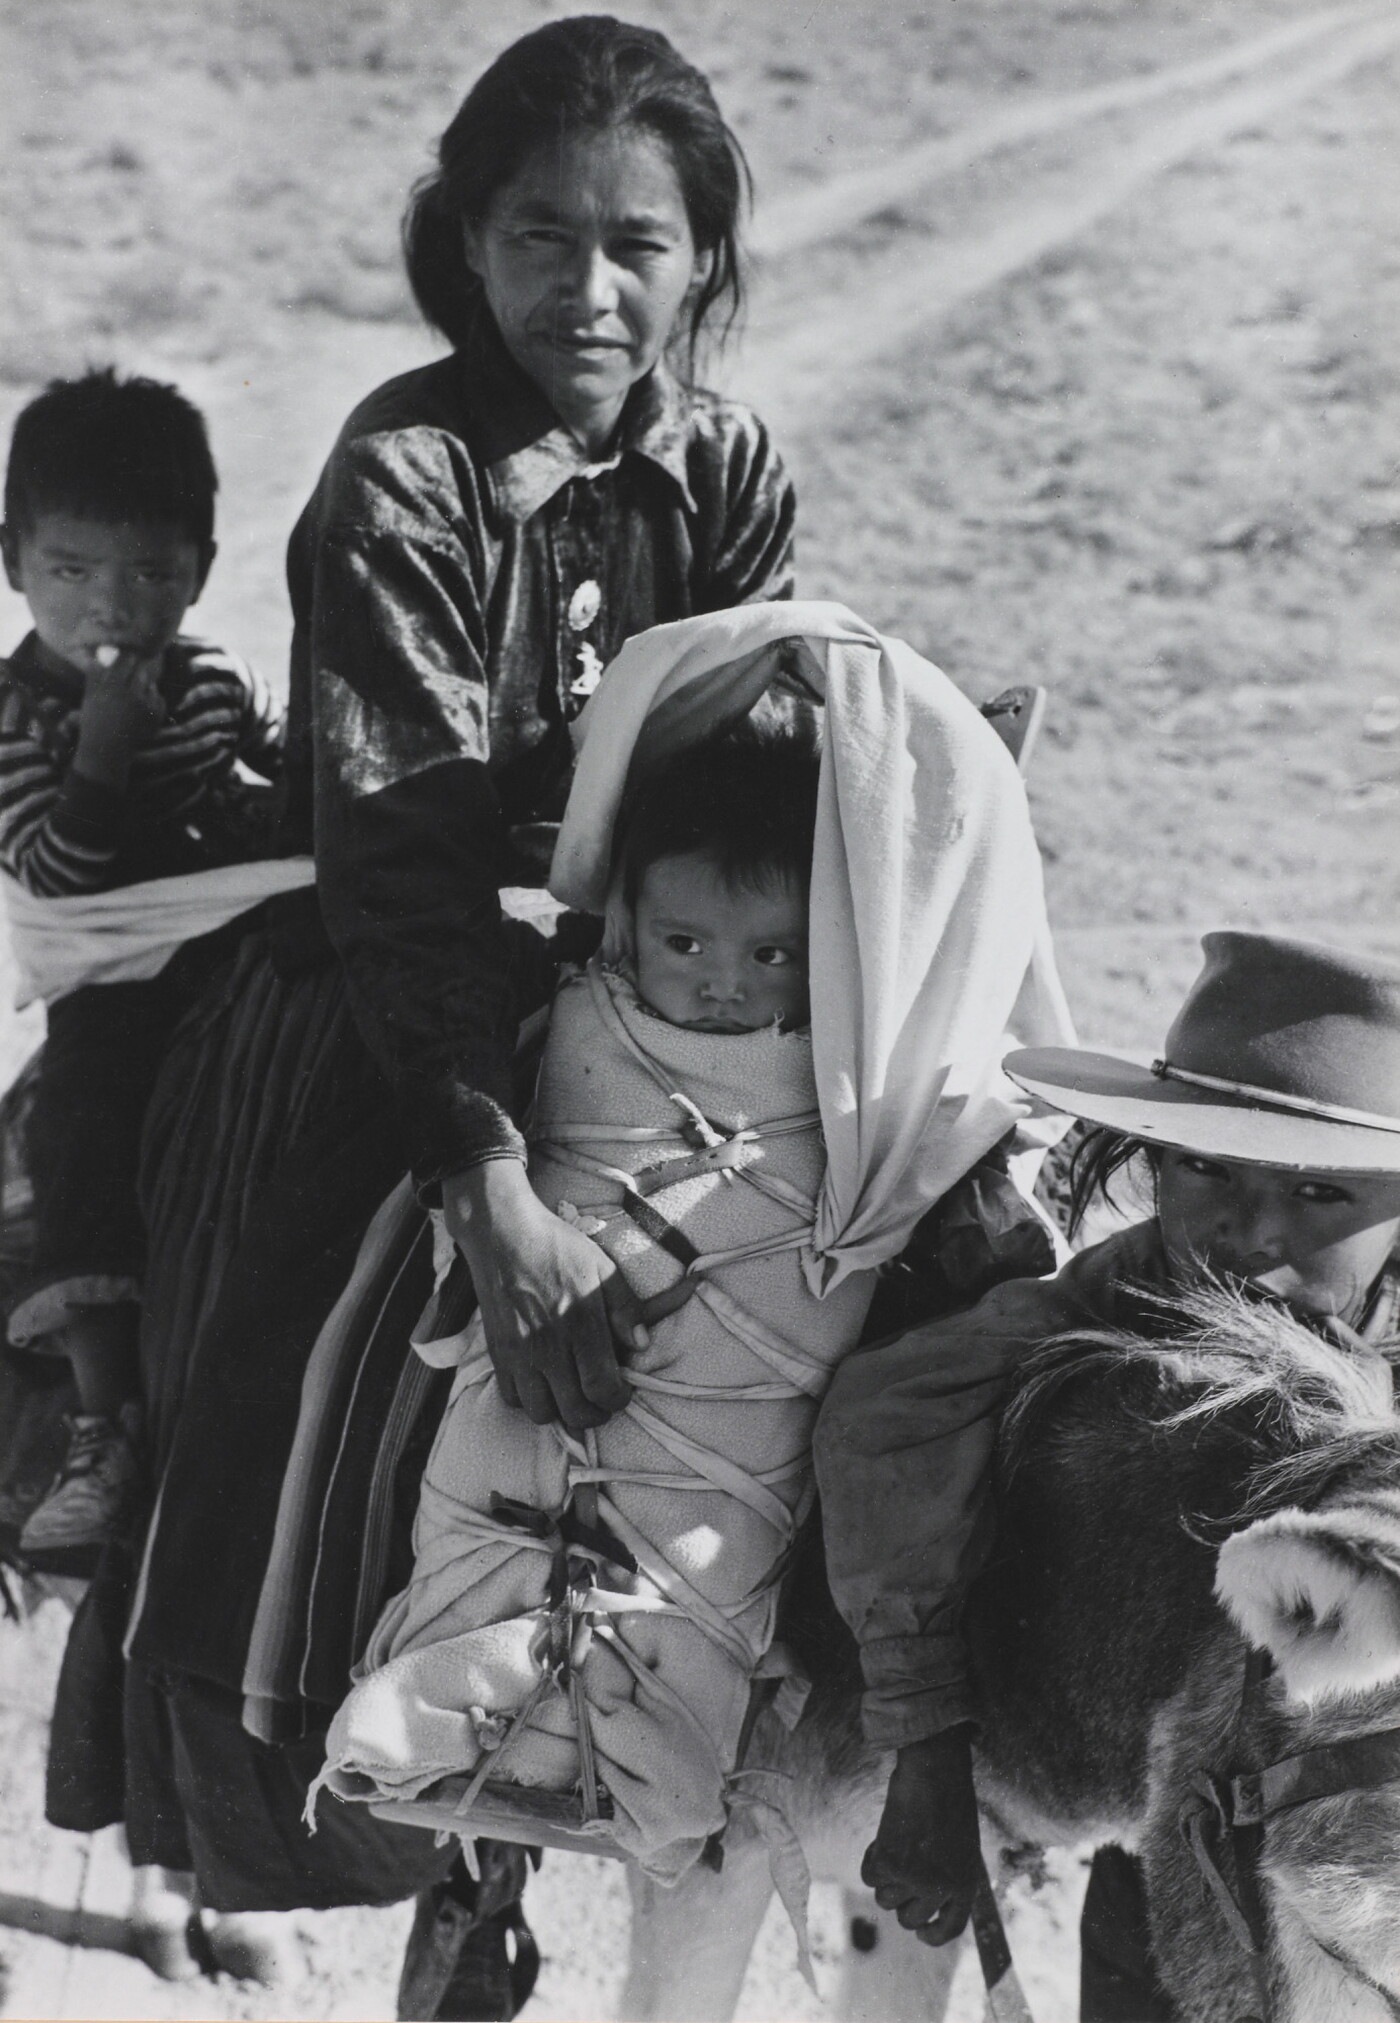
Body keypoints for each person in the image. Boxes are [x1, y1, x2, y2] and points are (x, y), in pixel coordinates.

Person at [46, 17, 798, 2008]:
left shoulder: (722, 470)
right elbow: (391, 858)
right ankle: (395, 1824)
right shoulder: (403, 472)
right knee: (309, 1384)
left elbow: (755, 786)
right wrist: (491, 1189)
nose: (591, 288)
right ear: (459, 247)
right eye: (539, 239)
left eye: (640, 243)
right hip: (385, 1011)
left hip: (657, 985)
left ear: (702, 259)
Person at [813, 929, 1400, 2020]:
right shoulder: (1075, 1333)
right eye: (1202, 1167)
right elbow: (878, 1430)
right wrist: (926, 1765)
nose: (1249, 1227)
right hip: (1166, 1817)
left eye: (1321, 1190)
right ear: (1148, 1161)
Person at [0, 368, 283, 1574]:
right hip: (114, 979)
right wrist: (103, 758)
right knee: (83, 1132)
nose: (112, 606)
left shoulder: (213, 676)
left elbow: (270, 789)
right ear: (14, 562)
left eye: (151, 574)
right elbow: (57, 880)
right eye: (72, 572)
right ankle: (99, 1426)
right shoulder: (18, 718)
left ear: (202, 568)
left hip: (233, 944)